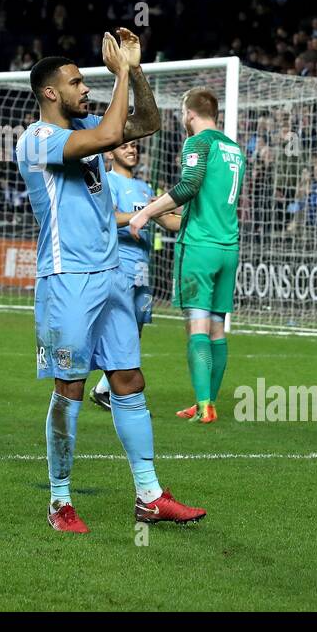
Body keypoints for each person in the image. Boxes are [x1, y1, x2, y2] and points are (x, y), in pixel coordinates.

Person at [15, 30, 205, 533]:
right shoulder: (38, 139)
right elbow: (104, 137)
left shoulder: (91, 127)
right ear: (51, 93)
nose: (86, 89)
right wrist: (118, 72)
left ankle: (149, 495)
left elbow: (147, 121)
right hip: (68, 278)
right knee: (71, 386)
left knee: (128, 380)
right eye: (77, 83)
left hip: (111, 275)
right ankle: (59, 501)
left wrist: (136, 71)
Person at [130, 89, 243, 423]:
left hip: (198, 249)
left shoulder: (198, 143)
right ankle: (206, 401)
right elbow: (206, 201)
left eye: (182, 112)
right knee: (217, 330)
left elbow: (189, 185)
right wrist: (167, 213)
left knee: (196, 326)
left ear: (189, 113)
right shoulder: (234, 150)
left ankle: (205, 405)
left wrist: (146, 212)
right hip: (228, 248)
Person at [89, 139, 180, 410]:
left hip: (143, 265)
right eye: (125, 146)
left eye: (135, 147)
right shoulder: (108, 181)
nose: (131, 150)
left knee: (137, 328)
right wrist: (136, 216)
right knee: (120, 328)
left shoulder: (145, 187)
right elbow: (107, 216)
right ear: (111, 152)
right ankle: (117, 389)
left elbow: (163, 218)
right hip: (119, 264)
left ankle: (103, 388)